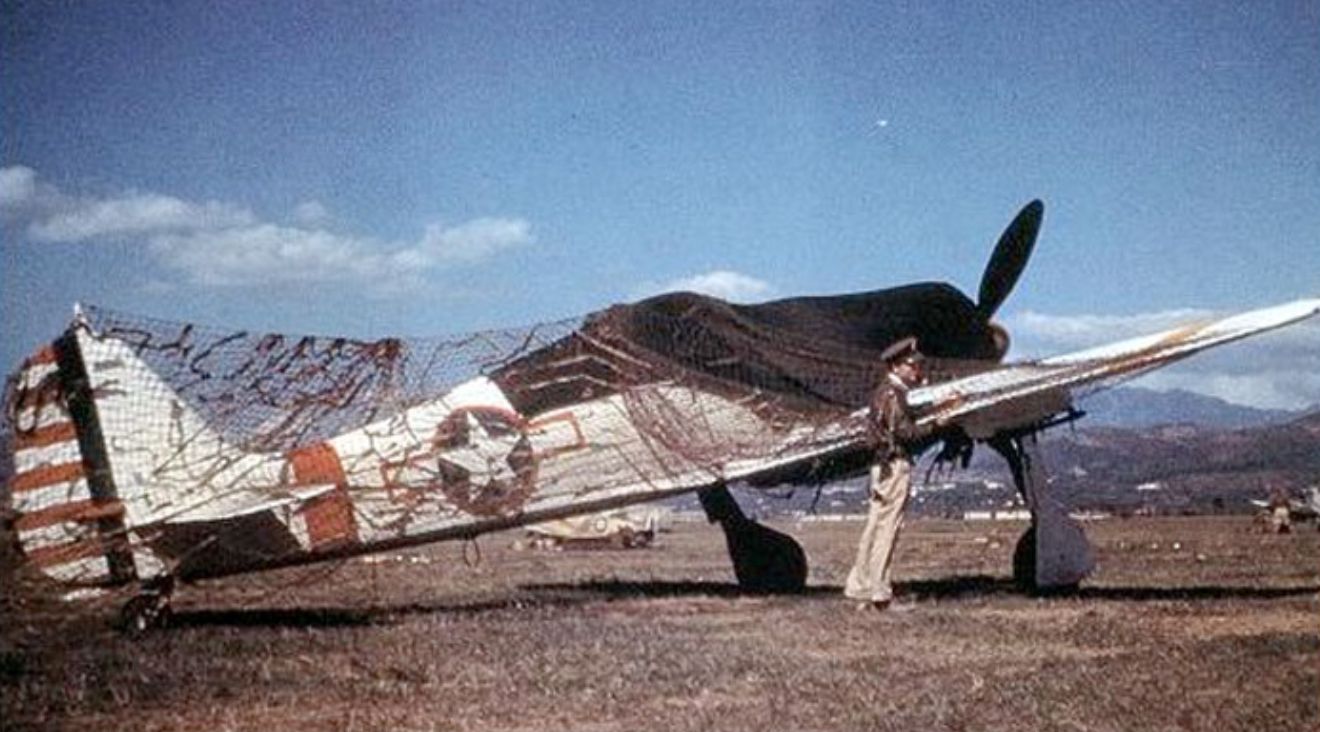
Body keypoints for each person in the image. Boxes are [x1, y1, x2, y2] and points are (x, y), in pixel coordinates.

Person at [845, 337, 933, 611]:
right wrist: (936, 423)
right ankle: (879, 593)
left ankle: (860, 587)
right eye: (911, 366)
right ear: (896, 366)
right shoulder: (894, 395)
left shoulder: (885, 392)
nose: (916, 371)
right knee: (887, 528)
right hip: (893, 465)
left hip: (881, 466)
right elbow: (905, 433)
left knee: (874, 526)